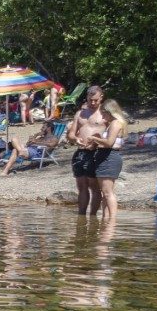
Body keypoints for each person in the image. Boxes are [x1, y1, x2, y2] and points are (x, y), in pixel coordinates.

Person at [65, 85, 108, 215]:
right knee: (82, 186)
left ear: (101, 97)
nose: (93, 103)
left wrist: (97, 141)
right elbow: (71, 134)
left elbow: (112, 134)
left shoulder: (105, 115)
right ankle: (81, 216)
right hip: (81, 152)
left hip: (96, 152)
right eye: (90, 100)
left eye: (95, 100)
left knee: (94, 186)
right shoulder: (80, 114)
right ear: (87, 98)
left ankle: (93, 215)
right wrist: (75, 139)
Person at [86, 99, 128, 219]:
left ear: (110, 112)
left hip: (110, 158)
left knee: (108, 193)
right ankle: (106, 218)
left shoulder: (115, 123)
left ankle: (112, 220)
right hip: (106, 157)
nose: (102, 116)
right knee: (105, 192)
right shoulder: (113, 124)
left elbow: (109, 142)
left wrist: (94, 139)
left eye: (104, 113)